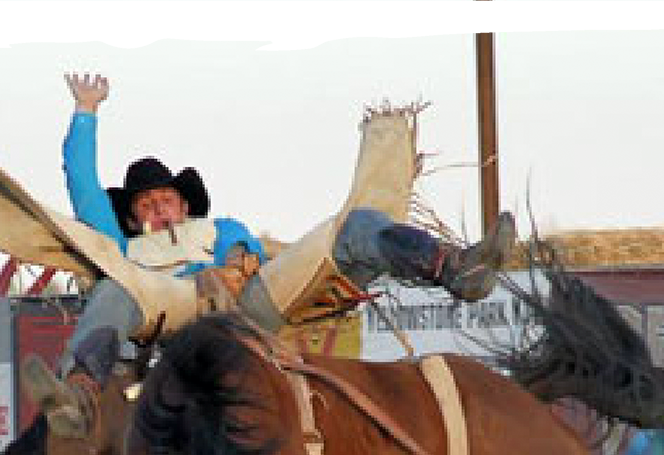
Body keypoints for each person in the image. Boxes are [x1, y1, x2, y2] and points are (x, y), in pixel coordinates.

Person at [57, 72, 516, 381]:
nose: (159, 208)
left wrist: (238, 257)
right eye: (148, 203)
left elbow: (241, 239)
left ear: (183, 204)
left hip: (244, 302)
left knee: (349, 229)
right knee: (113, 289)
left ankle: (453, 268)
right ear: (134, 217)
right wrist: (85, 111)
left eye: (166, 199)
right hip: (167, 303)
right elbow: (83, 185)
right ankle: (77, 390)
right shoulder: (123, 247)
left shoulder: (216, 228)